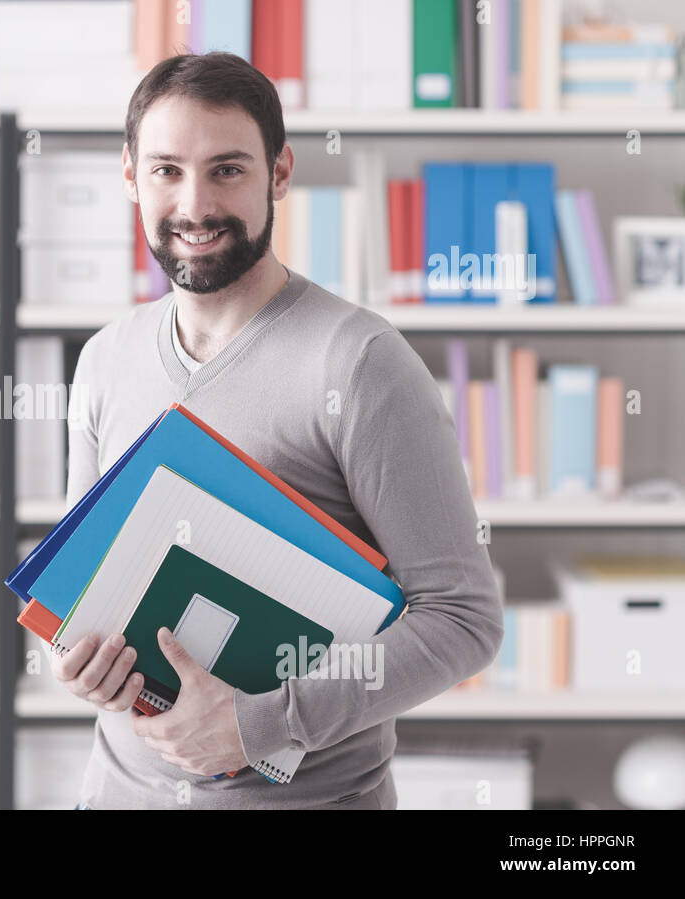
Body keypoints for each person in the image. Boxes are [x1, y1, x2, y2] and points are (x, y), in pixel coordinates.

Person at [53, 52, 503, 810]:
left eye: (227, 169)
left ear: (280, 173)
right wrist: (76, 659)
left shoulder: (360, 363)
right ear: (130, 175)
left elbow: (463, 619)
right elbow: (77, 596)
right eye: (167, 170)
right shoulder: (104, 359)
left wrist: (262, 721)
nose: (195, 205)